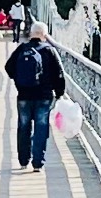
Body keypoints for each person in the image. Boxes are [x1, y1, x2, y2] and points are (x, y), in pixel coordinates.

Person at [4, 21, 65, 171]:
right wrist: (59, 94)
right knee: (41, 128)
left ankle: (23, 160)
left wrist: (19, 80)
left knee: (23, 127)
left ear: (31, 33)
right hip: (44, 96)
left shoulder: (22, 49)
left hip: (24, 95)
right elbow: (59, 74)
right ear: (45, 35)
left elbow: (8, 67)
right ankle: (37, 163)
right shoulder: (49, 51)